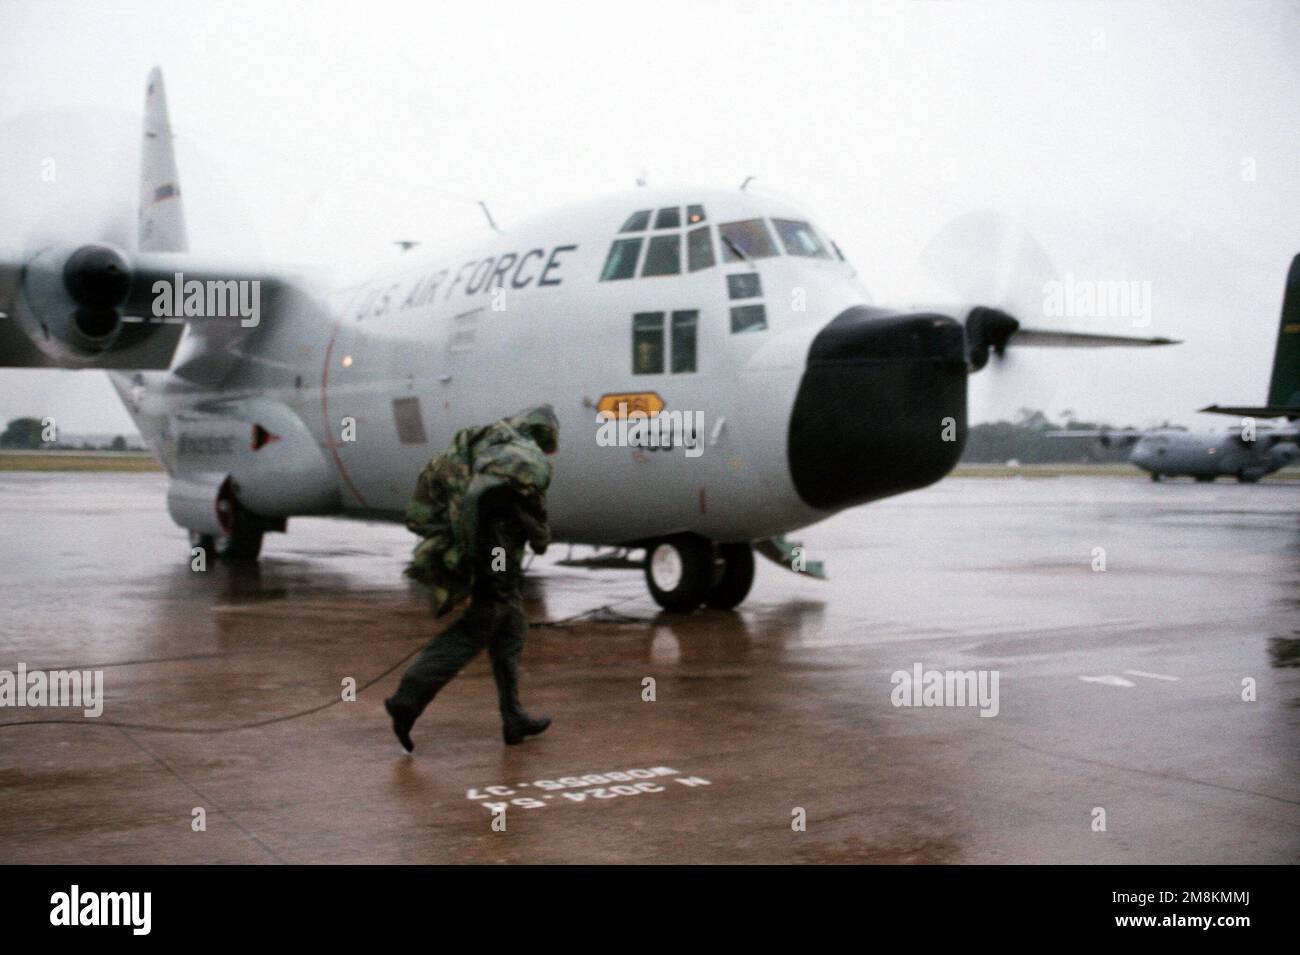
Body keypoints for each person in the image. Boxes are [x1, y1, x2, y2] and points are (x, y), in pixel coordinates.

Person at [384, 405, 559, 751]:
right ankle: (407, 698)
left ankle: (513, 718)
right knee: (481, 624)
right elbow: (535, 530)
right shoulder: (522, 460)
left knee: (511, 628)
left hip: (487, 549)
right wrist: (536, 535)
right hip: (496, 554)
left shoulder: (489, 449)